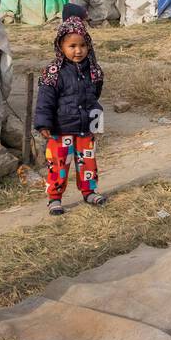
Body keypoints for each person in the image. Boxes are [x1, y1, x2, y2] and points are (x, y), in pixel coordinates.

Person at [34, 17, 108, 214]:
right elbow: (44, 101)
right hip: (60, 130)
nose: (78, 50)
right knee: (58, 165)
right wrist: (43, 124)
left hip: (85, 129)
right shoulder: (53, 72)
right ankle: (54, 199)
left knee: (88, 163)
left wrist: (95, 124)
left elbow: (94, 96)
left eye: (83, 45)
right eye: (72, 46)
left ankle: (89, 192)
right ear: (61, 46)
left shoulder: (94, 71)